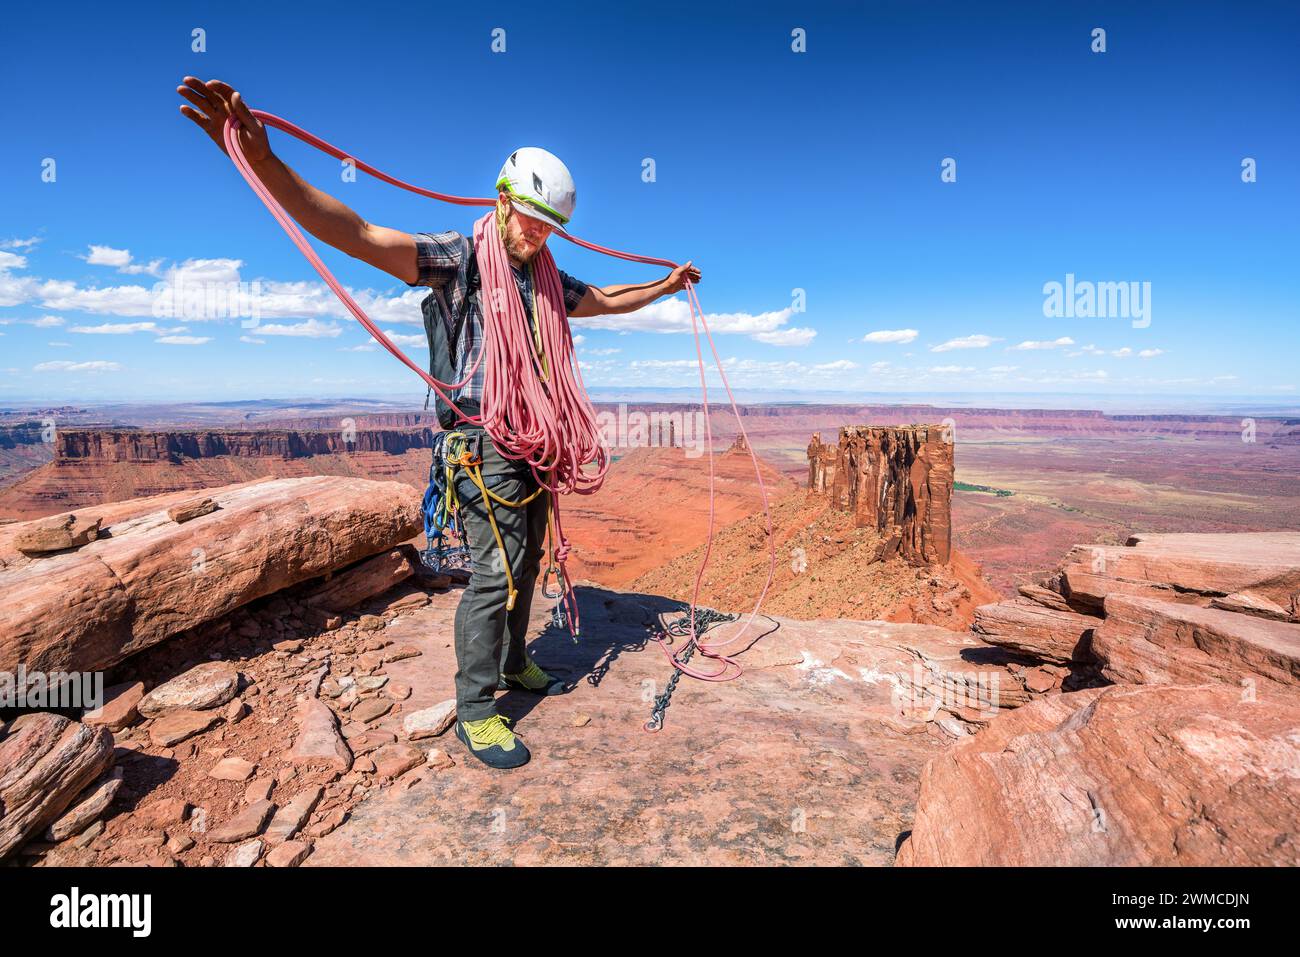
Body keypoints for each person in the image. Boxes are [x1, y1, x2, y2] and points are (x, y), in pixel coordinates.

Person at [177, 77, 701, 769]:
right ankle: (477, 708)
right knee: (497, 570)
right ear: (504, 200)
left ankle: (514, 660)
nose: (538, 234)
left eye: (551, 227)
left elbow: (601, 299)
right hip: (483, 441)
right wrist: (265, 162)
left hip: (535, 441)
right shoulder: (459, 260)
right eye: (531, 219)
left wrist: (667, 285)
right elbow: (359, 233)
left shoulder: (544, 274)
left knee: (529, 555)